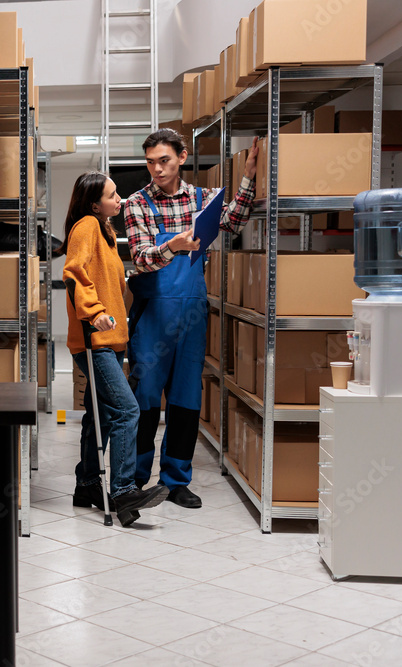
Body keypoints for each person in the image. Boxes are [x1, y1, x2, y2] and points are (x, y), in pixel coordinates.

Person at [123, 128, 258, 508]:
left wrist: (248, 176)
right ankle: (132, 479)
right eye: (150, 162)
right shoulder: (136, 204)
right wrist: (173, 246)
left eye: (164, 161)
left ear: (182, 157)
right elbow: (141, 256)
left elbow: (233, 221)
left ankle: (176, 479)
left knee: (185, 397)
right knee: (146, 397)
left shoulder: (204, 200)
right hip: (153, 315)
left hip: (192, 314)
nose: (157, 170)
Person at [62, 172, 169, 525]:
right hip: (95, 341)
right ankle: (122, 491)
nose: (119, 198)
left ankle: (88, 484)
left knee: (101, 415)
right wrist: (95, 314)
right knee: (127, 411)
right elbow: (74, 274)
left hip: (111, 341)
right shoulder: (87, 226)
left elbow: (106, 280)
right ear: (95, 203)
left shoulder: (106, 231)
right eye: (112, 194)